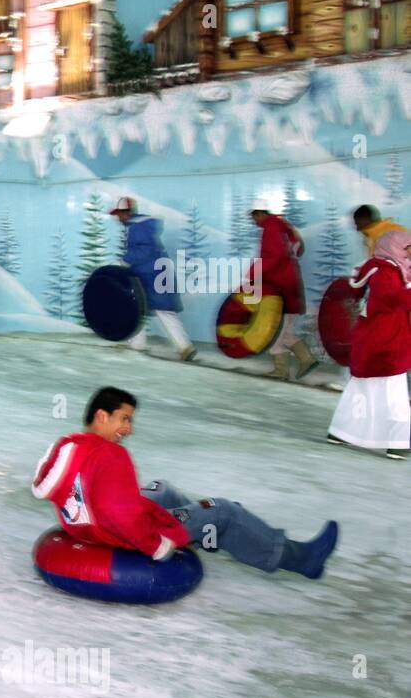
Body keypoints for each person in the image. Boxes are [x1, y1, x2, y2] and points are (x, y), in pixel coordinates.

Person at [33, 387, 340, 578]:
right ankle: (300, 559)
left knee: (161, 489)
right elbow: (118, 514)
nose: (129, 429)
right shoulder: (112, 455)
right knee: (223, 510)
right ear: (102, 416)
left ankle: (207, 534)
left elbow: (57, 488)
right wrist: (157, 545)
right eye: (124, 419)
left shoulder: (70, 446)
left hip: (89, 527)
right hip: (122, 535)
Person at [327, 230, 411, 459]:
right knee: (394, 394)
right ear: (394, 249)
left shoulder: (394, 270)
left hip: (379, 338)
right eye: (407, 247)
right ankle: (398, 442)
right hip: (385, 341)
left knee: (362, 391)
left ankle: (342, 431)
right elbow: (393, 300)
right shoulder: (385, 272)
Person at [108, 197, 195, 361]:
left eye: (119, 214)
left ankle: (185, 347)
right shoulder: (139, 225)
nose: (117, 218)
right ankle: (137, 344)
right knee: (138, 309)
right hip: (151, 273)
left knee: (162, 310)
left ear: (127, 213)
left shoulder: (137, 227)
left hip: (152, 274)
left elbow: (145, 250)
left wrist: (124, 260)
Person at [249, 200, 317, 380]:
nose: (253, 221)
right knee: (285, 329)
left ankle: (281, 370)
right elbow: (298, 248)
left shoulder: (270, 228)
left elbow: (273, 256)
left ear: (259, 213)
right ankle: (306, 358)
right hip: (289, 283)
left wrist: (252, 273)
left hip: (280, 287)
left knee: (275, 330)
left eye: (253, 217)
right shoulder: (284, 226)